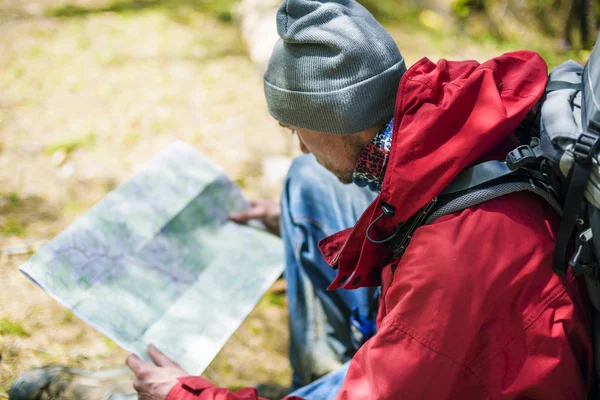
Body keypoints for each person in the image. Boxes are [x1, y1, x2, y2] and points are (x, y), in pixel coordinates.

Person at [10, 0, 594, 399]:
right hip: (466, 328)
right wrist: (286, 224)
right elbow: (414, 194)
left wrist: (191, 393)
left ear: (338, 123)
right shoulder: (444, 113)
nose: (294, 140)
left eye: (296, 125)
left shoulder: (453, 259)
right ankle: (318, 374)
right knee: (306, 186)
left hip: (476, 366)